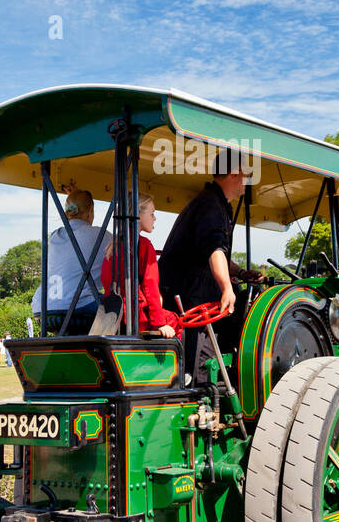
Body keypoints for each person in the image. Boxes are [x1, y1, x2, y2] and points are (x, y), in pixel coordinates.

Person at [158, 149, 265, 374]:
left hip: (190, 291)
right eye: (245, 174)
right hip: (191, 297)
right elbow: (214, 249)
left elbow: (218, 253)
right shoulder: (210, 205)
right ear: (234, 174)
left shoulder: (212, 202)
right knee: (200, 360)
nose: (247, 180)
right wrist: (227, 288)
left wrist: (242, 273)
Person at [101, 194, 181, 338]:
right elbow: (150, 286)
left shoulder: (112, 247)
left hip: (114, 316)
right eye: (152, 214)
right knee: (176, 320)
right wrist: (159, 323)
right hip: (137, 316)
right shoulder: (144, 245)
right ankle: (180, 360)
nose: (154, 218)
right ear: (138, 214)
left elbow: (106, 282)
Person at [31, 187, 108, 335]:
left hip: (43, 308)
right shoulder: (100, 235)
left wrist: (75, 198)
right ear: (90, 210)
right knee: (118, 305)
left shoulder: (55, 236)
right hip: (75, 308)